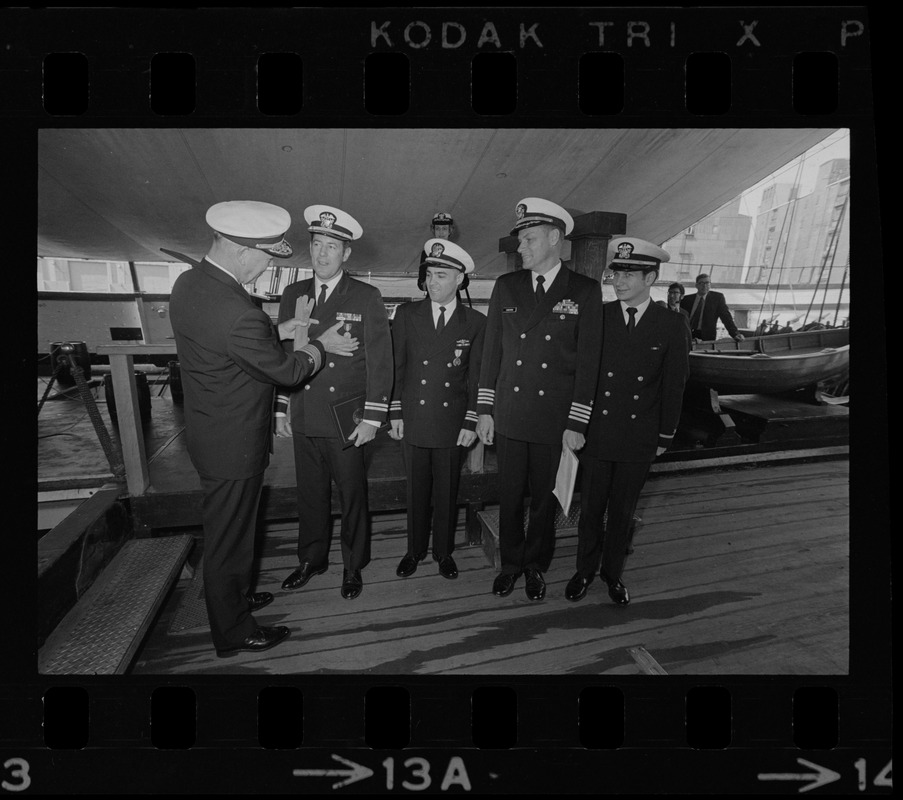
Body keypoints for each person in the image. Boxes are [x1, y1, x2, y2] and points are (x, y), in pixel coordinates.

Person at [169, 201, 358, 657]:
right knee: (229, 540)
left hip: (209, 432)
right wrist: (319, 344)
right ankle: (234, 632)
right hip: (234, 444)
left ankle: (231, 597)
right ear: (239, 249)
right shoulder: (240, 311)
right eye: (267, 256)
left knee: (230, 531)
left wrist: (282, 327)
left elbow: (231, 345)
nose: (268, 265)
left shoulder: (189, 283)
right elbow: (289, 372)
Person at [476, 197, 603, 601]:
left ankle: (535, 565)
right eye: (520, 240)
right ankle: (511, 564)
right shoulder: (506, 286)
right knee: (510, 495)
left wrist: (577, 423)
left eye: (530, 238)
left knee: (545, 501)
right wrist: (484, 410)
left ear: (554, 239)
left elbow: (589, 365)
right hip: (510, 414)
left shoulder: (583, 291)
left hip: (554, 418)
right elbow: (491, 354)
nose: (522, 247)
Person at [275, 205, 393, 600]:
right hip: (305, 412)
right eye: (317, 244)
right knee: (309, 493)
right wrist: (281, 408)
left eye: (332, 246)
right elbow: (283, 360)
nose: (322, 253)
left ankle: (353, 565)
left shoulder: (365, 296)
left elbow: (381, 364)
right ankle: (312, 558)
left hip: (347, 418)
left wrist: (373, 420)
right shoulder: (293, 294)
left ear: (347, 253)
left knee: (351, 495)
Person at [565, 237, 689, 605]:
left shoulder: (671, 324)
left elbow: (674, 383)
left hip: (639, 435)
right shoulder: (598, 318)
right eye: (616, 272)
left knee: (623, 511)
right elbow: (580, 375)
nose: (618, 280)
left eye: (629, 273)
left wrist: (665, 434)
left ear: (651, 277)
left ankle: (612, 573)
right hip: (599, 432)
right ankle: (584, 570)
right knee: (590, 509)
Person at [388, 239, 486, 580]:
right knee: (416, 491)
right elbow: (397, 367)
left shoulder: (475, 322)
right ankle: (414, 551)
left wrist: (472, 420)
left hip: (451, 421)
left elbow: (477, 377)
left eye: (441, 275)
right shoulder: (406, 314)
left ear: (460, 279)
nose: (432, 282)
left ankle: (444, 552)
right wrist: (395, 413)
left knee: (447, 491)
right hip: (414, 418)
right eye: (430, 274)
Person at [680, 273, 744, 342]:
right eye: (701, 283)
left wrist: (735, 334)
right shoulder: (686, 299)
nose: (704, 286)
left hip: (707, 337)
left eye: (707, 283)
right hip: (687, 334)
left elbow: (726, 318)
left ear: (710, 285)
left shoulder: (717, 298)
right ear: (696, 285)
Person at [417, 212, 455, 292]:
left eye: (444, 229)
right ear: (433, 230)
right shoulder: (427, 253)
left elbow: (465, 282)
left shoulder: (456, 252)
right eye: (437, 229)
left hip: (452, 297)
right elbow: (421, 283)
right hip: (432, 297)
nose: (441, 232)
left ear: (450, 230)